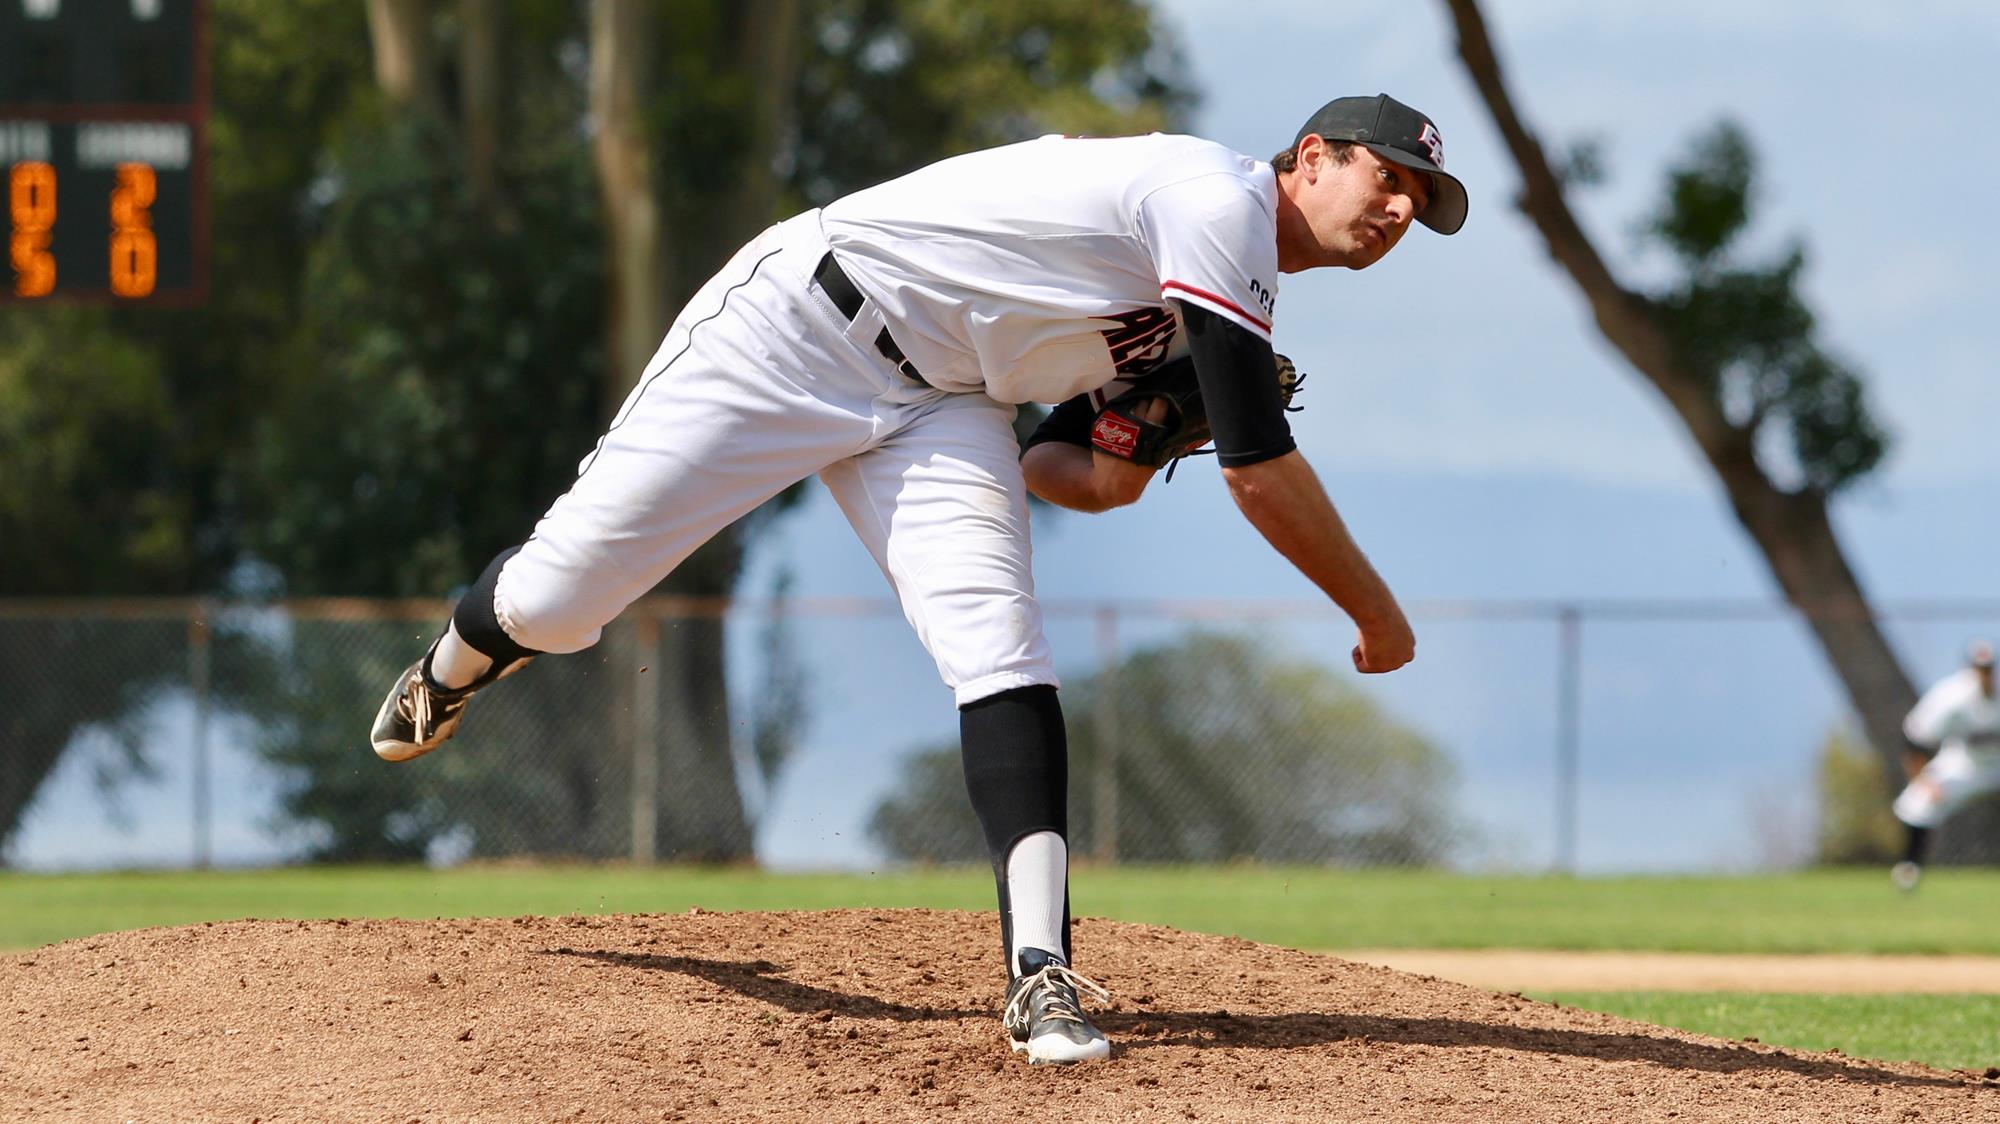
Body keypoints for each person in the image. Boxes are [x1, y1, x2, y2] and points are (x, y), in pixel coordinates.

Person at [369, 93, 1466, 1063]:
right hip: (798, 323)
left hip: (942, 403)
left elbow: (1059, 469)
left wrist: (1135, 454)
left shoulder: (1208, 297)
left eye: (1421, 201)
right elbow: (1260, 473)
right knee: (559, 600)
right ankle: (456, 658)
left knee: (1000, 643)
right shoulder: (1212, 202)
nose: (1400, 210)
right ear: (1311, 157)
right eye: (1388, 176)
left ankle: (1040, 972)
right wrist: (1374, 613)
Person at [1891, 639, 2000, 891]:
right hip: (1967, 762)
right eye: (1980, 668)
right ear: (1970, 669)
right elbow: (1914, 739)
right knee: (1916, 800)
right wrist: (1924, 782)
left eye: (1989, 668)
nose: (1985, 674)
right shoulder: (1951, 695)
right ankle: (1910, 867)